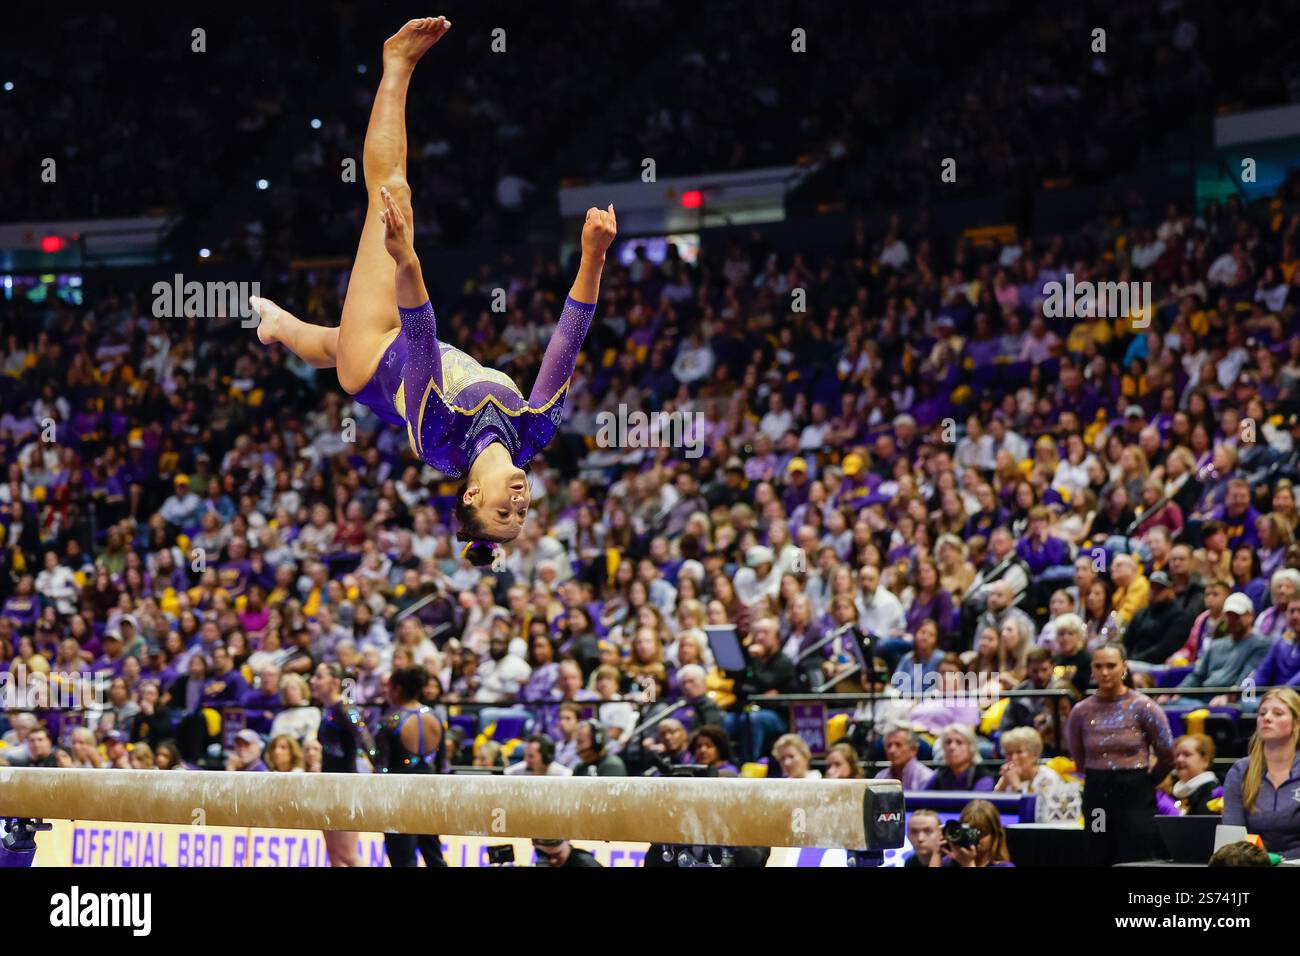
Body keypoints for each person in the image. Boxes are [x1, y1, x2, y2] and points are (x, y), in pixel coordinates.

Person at [249, 16, 616, 560]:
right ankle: (278, 326)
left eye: (501, 512)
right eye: (521, 514)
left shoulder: (439, 436)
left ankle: (395, 63)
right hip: (388, 343)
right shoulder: (533, 432)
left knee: (392, 191)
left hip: (376, 352)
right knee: (324, 342)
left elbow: (420, 332)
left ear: (470, 494)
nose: (520, 503)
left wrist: (405, 255)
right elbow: (567, 341)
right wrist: (593, 256)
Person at [1065, 643, 1175, 865]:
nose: (1104, 672)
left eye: (1111, 665)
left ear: (1124, 667)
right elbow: (1078, 758)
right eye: (1098, 666)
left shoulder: (1143, 706)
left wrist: (1145, 782)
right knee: (1097, 850)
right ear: (1092, 669)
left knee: (1137, 853)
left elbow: (1167, 755)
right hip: (1097, 791)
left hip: (1134, 792)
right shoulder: (1081, 711)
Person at [377, 665, 447, 867]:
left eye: (389, 688)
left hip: (399, 793)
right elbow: (443, 765)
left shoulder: (391, 720)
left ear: (397, 689)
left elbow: (380, 765)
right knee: (434, 856)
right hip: (429, 790)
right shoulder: (435, 717)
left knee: (403, 860)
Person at [312, 662, 378, 866]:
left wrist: (382, 771)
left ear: (334, 682)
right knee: (334, 855)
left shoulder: (346, 709)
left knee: (348, 855)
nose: (313, 681)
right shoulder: (327, 710)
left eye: (319, 676)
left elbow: (367, 741)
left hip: (346, 786)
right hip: (327, 784)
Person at [1222, 687, 1300, 858]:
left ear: (1296, 724)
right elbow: (1232, 841)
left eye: (1278, 713)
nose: (1267, 718)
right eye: (1262, 713)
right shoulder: (1240, 771)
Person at [995, 726, 1081, 823]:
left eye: (1019, 752)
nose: (1013, 757)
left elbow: (1035, 814)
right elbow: (993, 810)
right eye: (1009, 753)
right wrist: (1003, 785)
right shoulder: (1008, 776)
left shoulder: (1048, 777)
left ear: (1034, 754)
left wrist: (1017, 786)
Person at [929, 799, 1013, 867]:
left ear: (995, 835)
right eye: (970, 832)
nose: (975, 838)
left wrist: (968, 864)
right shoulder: (948, 862)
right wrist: (936, 853)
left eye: (981, 834)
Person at [1157, 733, 1220, 816]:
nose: (1179, 759)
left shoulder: (1213, 793)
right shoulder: (1170, 789)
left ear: (1205, 761)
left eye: (1186, 754)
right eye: (1177, 755)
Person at [922, 725, 995, 791]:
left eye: (959, 742)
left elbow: (978, 805)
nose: (952, 747)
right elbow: (921, 802)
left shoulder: (984, 778)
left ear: (971, 749)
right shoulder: (939, 774)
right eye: (948, 742)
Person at [875, 723, 935, 790]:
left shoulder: (927, 778)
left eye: (898, 745)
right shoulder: (880, 778)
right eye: (889, 745)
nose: (892, 750)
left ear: (913, 749)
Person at [504, 734, 573, 776]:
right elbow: (506, 774)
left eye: (531, 756)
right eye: (525, 755)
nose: (526, 760)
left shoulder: (563, 775)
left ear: (546, 757)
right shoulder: (515, 772)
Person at [533, 838, 602, 867]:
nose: (552, 861)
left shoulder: (584, 862)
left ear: (567, 841)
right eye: (544, 855)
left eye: (557, 854)